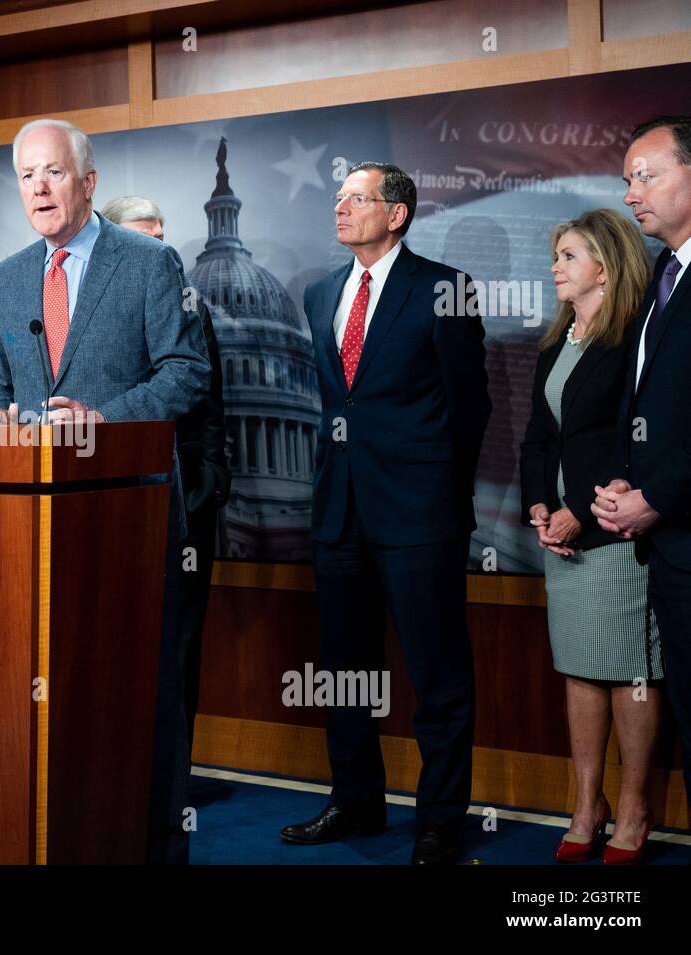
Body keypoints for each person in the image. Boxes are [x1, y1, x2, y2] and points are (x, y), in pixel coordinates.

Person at [281, 162, 491, 865]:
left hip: (419, 517)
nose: (339, 209)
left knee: (437, 675)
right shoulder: (318, 295)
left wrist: (438, 494)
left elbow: (470, 407)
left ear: (397, 213)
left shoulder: (444, 289)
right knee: (345, 670)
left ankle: (439, 820)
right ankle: (356, 801)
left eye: (356, 198)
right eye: (337, 198)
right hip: (339, 515)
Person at [522, 209, 659, 864]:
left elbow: (634, 439)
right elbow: (538, 438)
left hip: (613, 529)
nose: (556, 266)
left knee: (627, 672)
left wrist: (580, 506)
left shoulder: (635, 336)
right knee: (579, 666)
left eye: (568, 255)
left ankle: (633, 808)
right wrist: (540, 506)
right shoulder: (558, 340)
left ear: (602, 266)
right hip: (563, 537)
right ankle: (587, 804)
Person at [100, 195, 230, 864]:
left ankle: (171, 784)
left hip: (183, 501)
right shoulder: (86, 314)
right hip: (106, 506)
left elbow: (209, 406)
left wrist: (207, 483)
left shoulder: (189, 307)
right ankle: (122, 781)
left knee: (177, 650)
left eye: (162, 237)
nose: (161, 253)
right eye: (142, 240)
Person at [593, 115, 691, 861]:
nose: (630, 193)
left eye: (646, 175)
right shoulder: (663, 274)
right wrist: (630, 479)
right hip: (671, 552)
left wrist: (658, 493)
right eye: (627, 178)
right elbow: (652, 401)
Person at [0, 118, 209, 427]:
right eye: (27, 175)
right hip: (32, 469)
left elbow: (186, 370)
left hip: (123, 468)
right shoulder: (6, 278)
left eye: (54, 172)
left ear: (88, 183)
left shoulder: (151, 261)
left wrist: (103, 418)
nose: (39, 188)